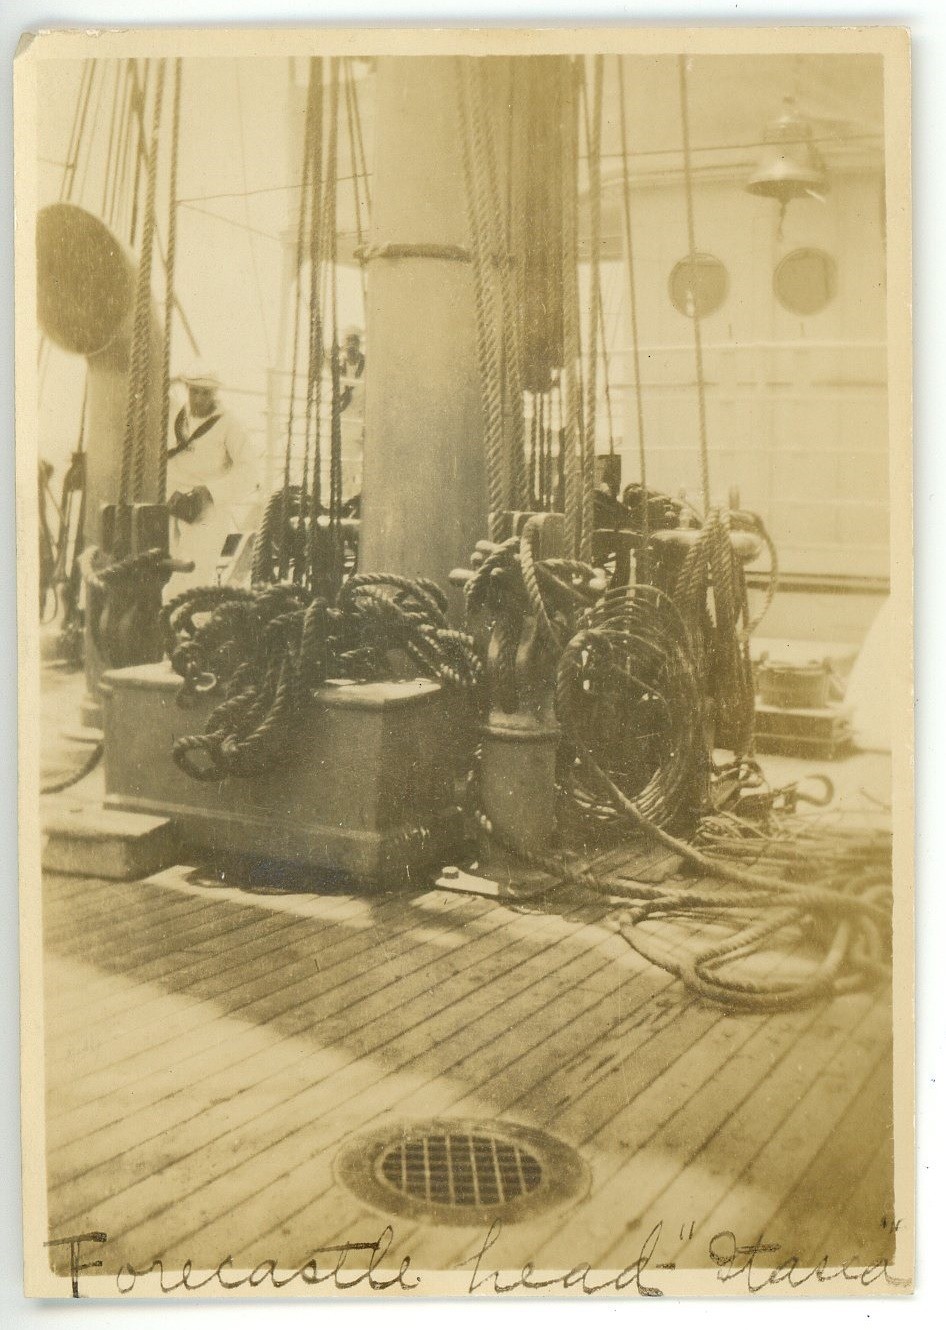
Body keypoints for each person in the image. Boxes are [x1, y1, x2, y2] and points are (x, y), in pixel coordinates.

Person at [166, 365, 260, 590]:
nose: (198, 398)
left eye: (205, 393)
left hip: (207, 513)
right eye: (194, 391)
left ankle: (185, 622)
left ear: (215, 394)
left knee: (192, 579)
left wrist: (210, 491)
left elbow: (250, 471)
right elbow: (153, 387)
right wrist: (176, 379)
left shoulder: (229, 425)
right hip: (173, 505)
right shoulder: (177, 414)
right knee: (164, 576)